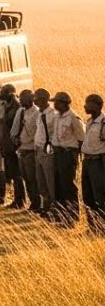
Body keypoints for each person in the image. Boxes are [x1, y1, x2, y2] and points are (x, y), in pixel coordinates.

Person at [38, 91, 85, 227]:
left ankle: (72, 216)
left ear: (64, 103)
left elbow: (81, 139)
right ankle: (61, 214)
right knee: (58, 184)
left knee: (68, 185)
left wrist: (76, 158)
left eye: (57, 102)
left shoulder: (74, 118)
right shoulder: (58, 117)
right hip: (57, 152)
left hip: (68, 153)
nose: (54, 104)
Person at [12, 89, 41, 212]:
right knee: (26, 178)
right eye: (20, 98)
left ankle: (37, 203)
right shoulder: (20, 111)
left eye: (23, 98)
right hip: (21, 149)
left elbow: (36, 132)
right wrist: (15, 139)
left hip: (31, 150)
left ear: (31, 99)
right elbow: (14, 129)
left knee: (33, 178)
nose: (20, 100)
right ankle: (31, 203)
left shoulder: (37, 113)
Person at [80, 95, 105, 234]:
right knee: (87, 195)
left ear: (97, 105)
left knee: (100, 195)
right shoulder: (90, 121)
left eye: (88, 103)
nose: (85, 106)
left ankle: (101, 227)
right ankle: (92, 227)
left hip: (98, 162)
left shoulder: (103, 122)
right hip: (87, 161)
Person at [0, 84, 24, 209]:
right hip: (7, 144)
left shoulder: (16, 107)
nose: (0, 94)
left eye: (2, 92)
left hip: (13, 145)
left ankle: (20, 200)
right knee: (12, 173)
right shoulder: (7, 106)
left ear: (9, 93)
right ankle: (17, 199)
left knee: (16, 174)